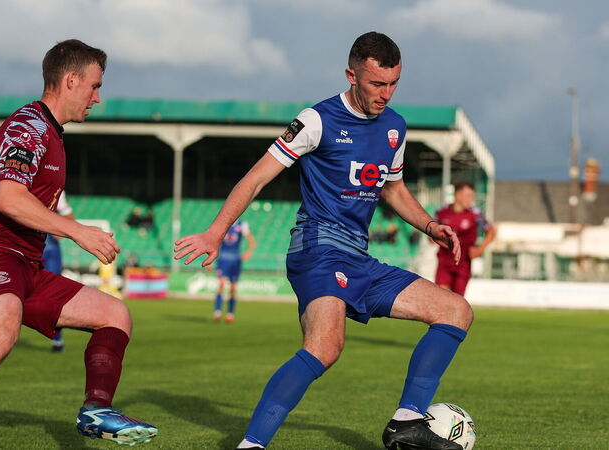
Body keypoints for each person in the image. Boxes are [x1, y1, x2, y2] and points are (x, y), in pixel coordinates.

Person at [175, 32, 472, 450]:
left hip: (359, 256)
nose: (385, 94)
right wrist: (216, 231)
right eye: (375, 83)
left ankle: (406, 422)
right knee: (325, 347)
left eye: (393, 84)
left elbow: (393, 190)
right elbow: (257, 176)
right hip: (317, 247)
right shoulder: (316, 120)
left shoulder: (395, 127)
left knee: (455, 310)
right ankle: (251, 445)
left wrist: (429, 225)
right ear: (351, 75)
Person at [0, 40, 157, 449]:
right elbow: (8, 199)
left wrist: (72, 229)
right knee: (0, 333)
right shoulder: (29, 125)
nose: (98, 97)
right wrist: (77, 231)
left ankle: (96, 411)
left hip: (26, 265)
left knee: (115, 313)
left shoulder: (54, 136)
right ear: (71, 80)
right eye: (94, 86)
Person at [434, 181, 495, 296]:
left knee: (457, 301)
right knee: (442, 296)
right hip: (444, 261)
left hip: (463, 263)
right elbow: (432, 232)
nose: (471, 199)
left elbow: (491, 232)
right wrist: (433, 238)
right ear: (457, 195)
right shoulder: (441, 212)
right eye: (468, 196)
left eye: (472, 196)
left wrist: (479, 249)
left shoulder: (476, 215)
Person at [44, 192, 75, 352]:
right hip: (27, 247)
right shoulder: (23, 180)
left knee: (54, 297)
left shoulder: (57, 190)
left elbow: (69, 215)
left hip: (50, 250)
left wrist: (61, 229)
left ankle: (57, 340)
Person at [213, 220, 256, 323]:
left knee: (233, 288)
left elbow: (251, 241)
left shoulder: (242, 225)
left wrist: (249, 252)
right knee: (221, 285)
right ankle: (217, 312)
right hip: (223, 259)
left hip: (235, 260)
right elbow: (214, 241)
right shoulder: (222, 223)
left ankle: (230, 314)